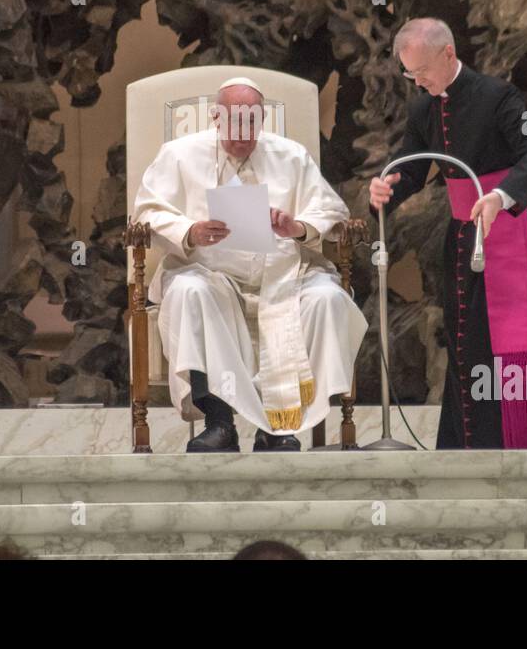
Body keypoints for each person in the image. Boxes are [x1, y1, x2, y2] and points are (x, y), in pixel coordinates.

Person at [369, 18, 527, 450]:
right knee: (467, 347)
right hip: (462, 240)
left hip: (509, 235)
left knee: (505, 346)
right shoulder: (423, 107)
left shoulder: (502, 97)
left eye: (421, 70)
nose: (416, 80)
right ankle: (468, 446)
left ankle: (522, 444)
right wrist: (384, 189)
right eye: (408, 73)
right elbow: (409, 168)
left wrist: (501, 197)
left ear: (448, 54)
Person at [133, 77, 368, 452]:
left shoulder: (290, 155)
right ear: (215, 118)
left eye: (251, 125)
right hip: (208, 272)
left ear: (261, 119)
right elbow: (146, 213)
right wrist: (190, 231)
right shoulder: (179, 155)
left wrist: (298, 226)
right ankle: (219, 423)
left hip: (285, 272)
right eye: (233, 125)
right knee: (190, 293)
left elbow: (331, 211)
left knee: (328, 299)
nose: (242, 136)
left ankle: (281, 427)